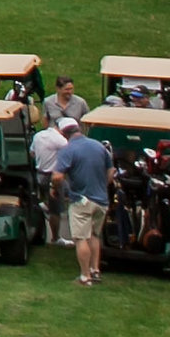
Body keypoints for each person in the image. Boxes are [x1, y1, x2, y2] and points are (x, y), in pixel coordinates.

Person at [56, 117, 112, 287]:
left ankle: (85, 277)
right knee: (94, 236)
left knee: (81, 238)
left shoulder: (68, 150)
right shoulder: (98, 146)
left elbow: (57, 176)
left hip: (81, 200)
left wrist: (59, 188)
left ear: (63, 133)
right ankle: (95, 271)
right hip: (102, 200)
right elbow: (111, 170)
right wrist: (104, 185)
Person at [30, 112, 71, 231]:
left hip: (40, 174)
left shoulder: (38, 135)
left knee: (69, 192)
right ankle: (55, 237)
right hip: (53, 178)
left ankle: (44, 204)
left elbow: (32, 153)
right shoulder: (62, 141)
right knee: (56, 210)